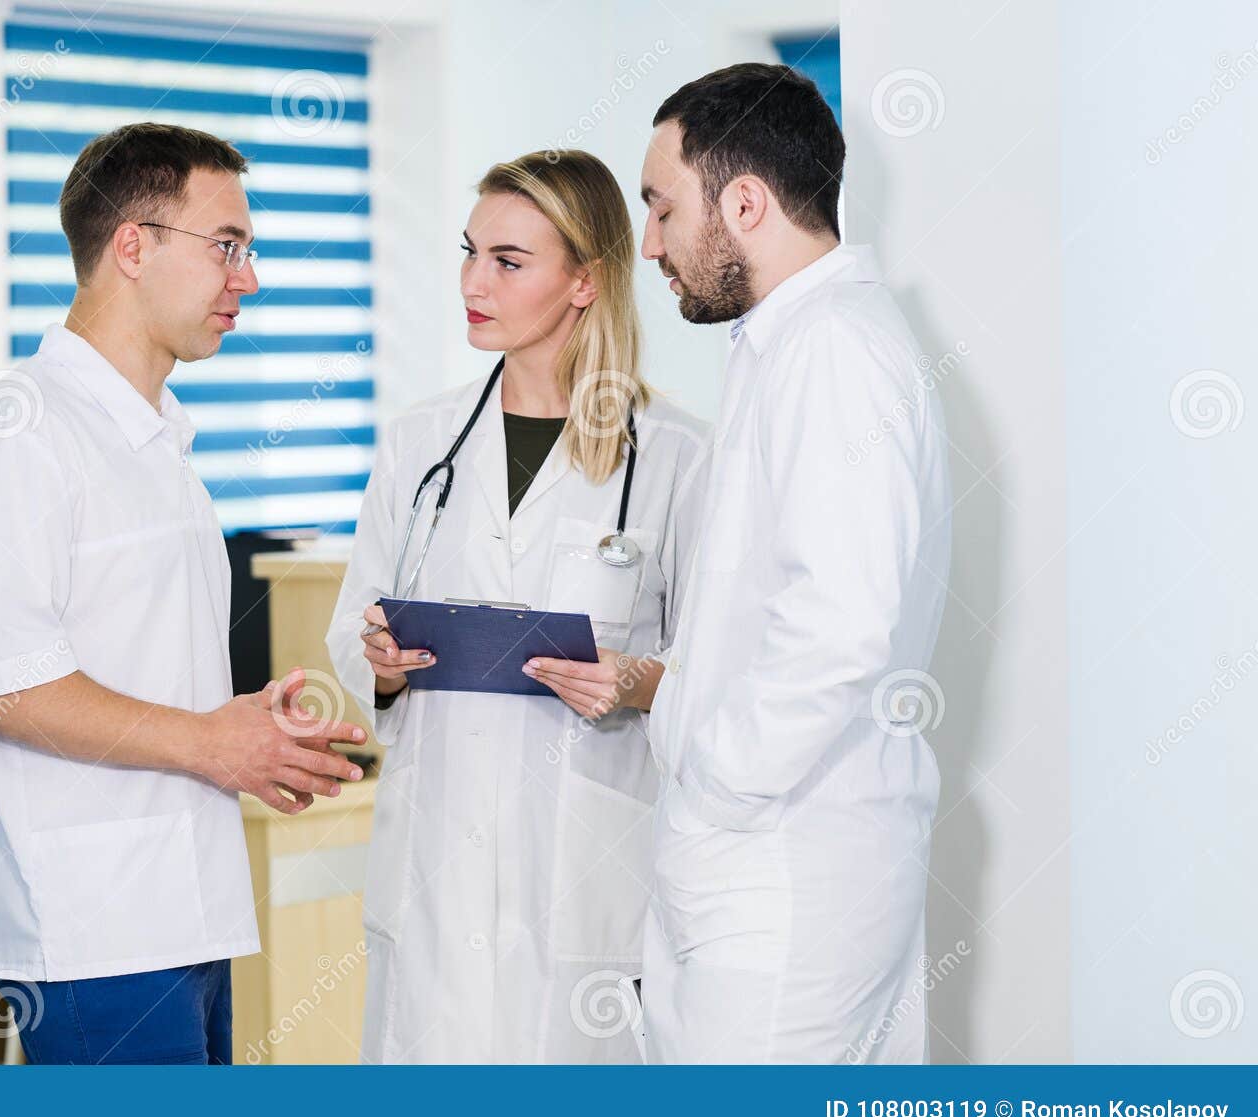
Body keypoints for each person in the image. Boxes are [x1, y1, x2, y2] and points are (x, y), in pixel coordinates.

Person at [0, 122, 366, 1065]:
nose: (248, 277)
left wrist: (243, 726)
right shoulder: (21, 435)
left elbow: (132, 662)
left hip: (185, 912)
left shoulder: (158, 439)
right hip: (92, 933)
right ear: (133, 246)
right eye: (227, 246)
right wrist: (214, 742)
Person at [326, 150, 709, 1063]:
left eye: (507, 261)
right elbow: (351, 623)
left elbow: (715, 667)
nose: (472, 281)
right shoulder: (418, 443)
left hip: (585, 872)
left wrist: (639, 680)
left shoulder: (678, 457)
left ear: (586, 280)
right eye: (470, 253)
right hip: (432, 869)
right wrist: (374, 664)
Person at [636, 64, 952, 1063]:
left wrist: (719, 784)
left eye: (659, 206)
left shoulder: (833, 355)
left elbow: (838, 623)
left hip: (785, 863)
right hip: (774, 857)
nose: (649, 243)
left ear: (743, 202)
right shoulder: (792, 345)